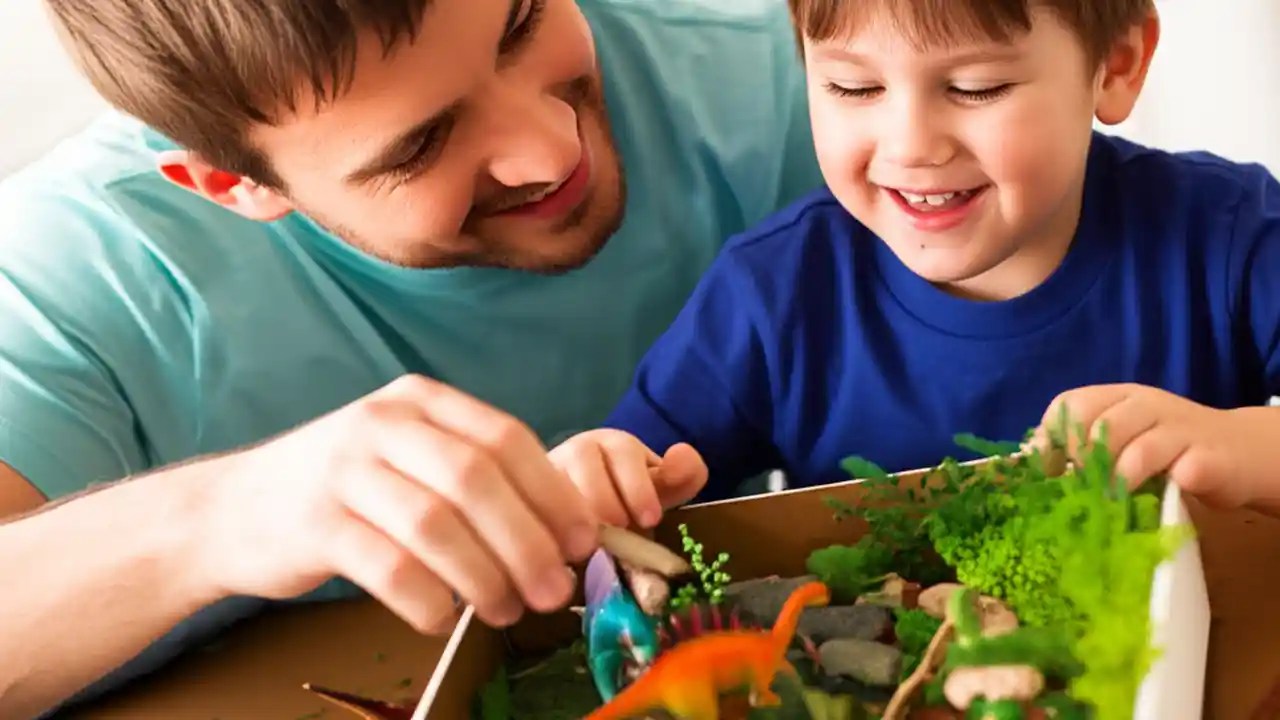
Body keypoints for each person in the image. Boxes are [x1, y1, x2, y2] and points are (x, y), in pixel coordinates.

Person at [0, 0, 824, 716]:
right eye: (420, 145)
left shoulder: (777, 73)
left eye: (522, 24)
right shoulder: (64, 277)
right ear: (232, 184)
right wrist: (219, 515)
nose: (551, 150)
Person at [552, 0, 1280, 521]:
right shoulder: (771, 297)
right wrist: (597, 479)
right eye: (853, 87)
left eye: (974, 88)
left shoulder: (1230, 234)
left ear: (1116, 65)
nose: (910, 146)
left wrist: (1239, 446)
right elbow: (625, 494)